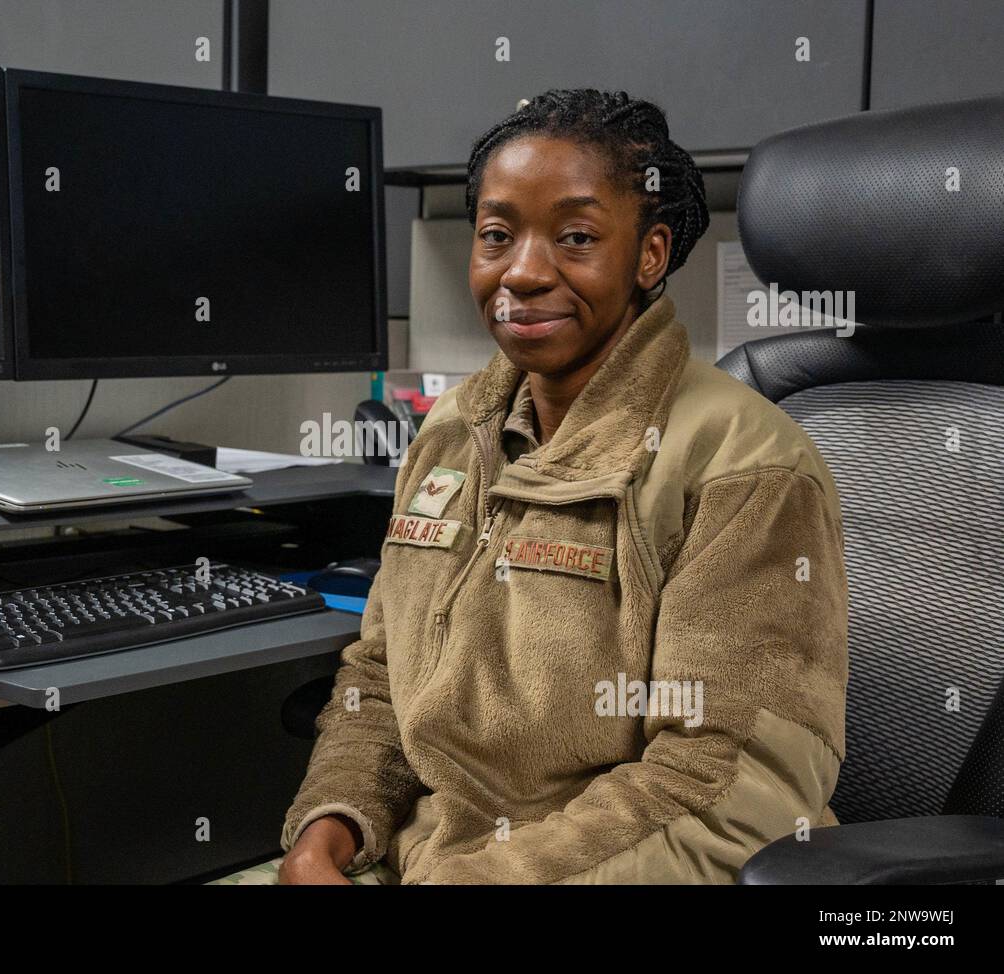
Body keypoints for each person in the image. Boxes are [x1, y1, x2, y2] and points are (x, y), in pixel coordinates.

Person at [215, 88, 848, 886]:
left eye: (576, 237)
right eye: (496, 235)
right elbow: (380, 679)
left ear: (649, 255)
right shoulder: (451, 432)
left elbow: (729, 790)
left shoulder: (743, 465)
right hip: (421, 856)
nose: (522, 270)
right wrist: (328, 832)